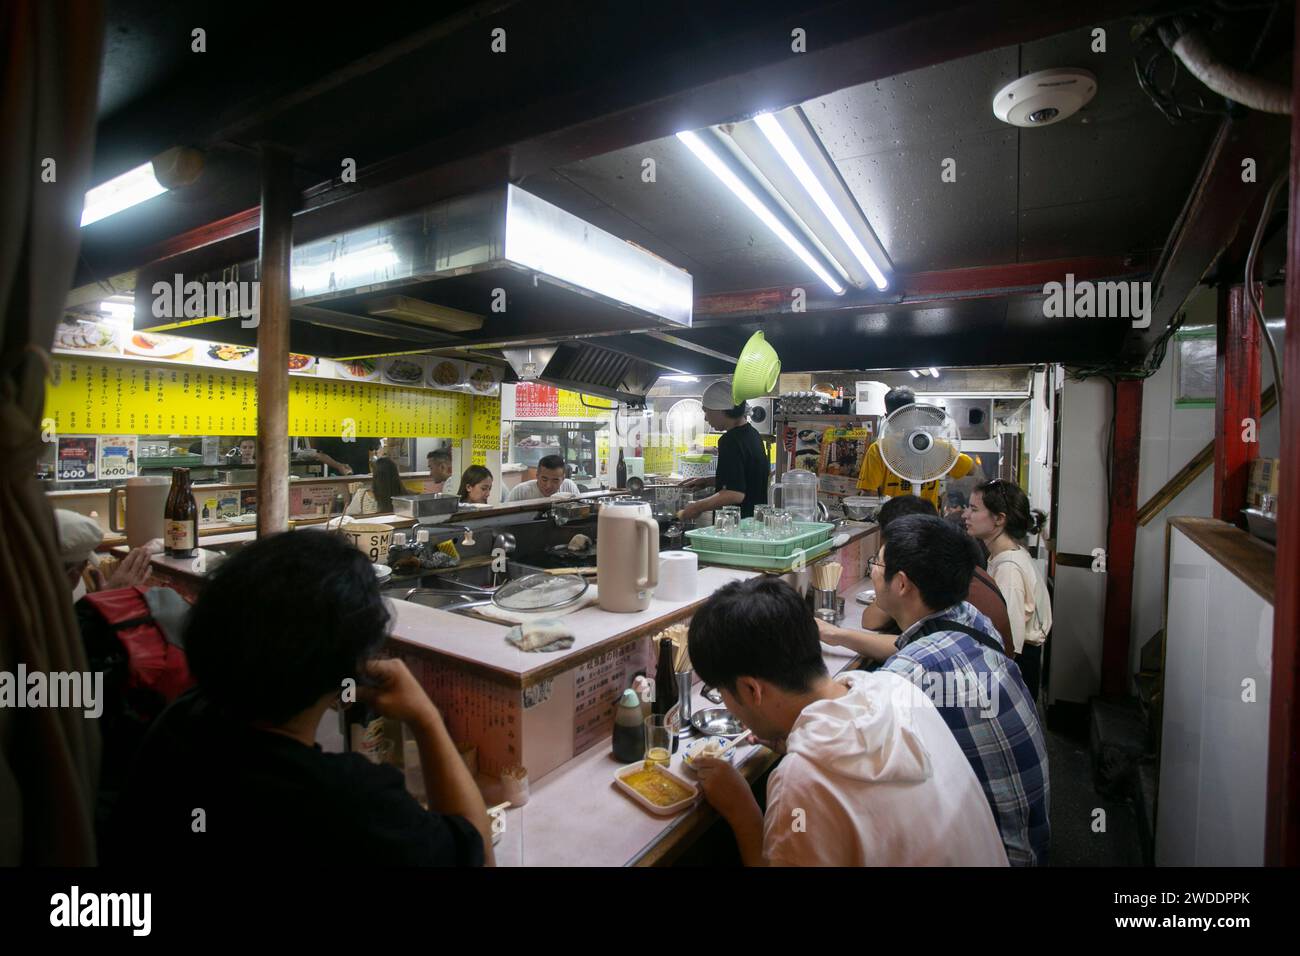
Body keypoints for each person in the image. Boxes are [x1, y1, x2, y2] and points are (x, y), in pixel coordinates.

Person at [106, 531, 493, 866]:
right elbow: (476, 854)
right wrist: (426, 718)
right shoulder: (346, 800)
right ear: (351, 663)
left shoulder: (179, 721)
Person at [687, 577, 1007, 866]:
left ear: (750, 689)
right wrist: (801, 743)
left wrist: (741, 810)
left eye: (723, 693)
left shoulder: (800, 783)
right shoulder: (895, 688)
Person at [864, 514, 1050, 866]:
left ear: (901, 583)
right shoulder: (970, 618)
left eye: (877, 563)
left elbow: (852, 757)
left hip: (995, 856)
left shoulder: (911, 673)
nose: (872, 570)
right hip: (1028, 841)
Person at [818, 495, 1016, 656]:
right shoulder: (956, 574)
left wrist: (838, 635)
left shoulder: (933, 579)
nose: (875, 570)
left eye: (878, 561)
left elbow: (891, 636)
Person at [964, 479, 1052, 700]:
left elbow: (1007, 639)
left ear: (999, 519)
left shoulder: (1009, 568)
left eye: (974, 509)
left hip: (1016, 665)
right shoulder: (1005, 555)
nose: (966, 515)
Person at [856, 386, 974, 507]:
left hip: (893, 517)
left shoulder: (879, 449)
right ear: (915, 413)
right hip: (928, 516)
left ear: (887, 417)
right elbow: (972, 469)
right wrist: (943, 465)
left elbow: (868, 494)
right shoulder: (937, 446)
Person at [677, 379, 769, 521]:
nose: (706, 418)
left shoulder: (730, 440)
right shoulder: (753, 434)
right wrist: (707, 481)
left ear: (720, 409)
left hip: (737, 526)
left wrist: (696, 507)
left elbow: (735, 494)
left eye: (706, 411)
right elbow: (746, 479)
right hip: (755, 522)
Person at [506, 454, 581, 502]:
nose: (548, 486)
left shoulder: (569, 486)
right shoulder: (520, 492)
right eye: (544, 479)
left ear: (563, 478)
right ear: (537, 475)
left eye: (555, 480)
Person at [304, 435, 381, 476]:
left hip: (338, 478)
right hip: (360, 476)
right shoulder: (365, 420)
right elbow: (376, 448)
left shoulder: (329, 421)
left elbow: (319, 454)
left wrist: (339, 466)